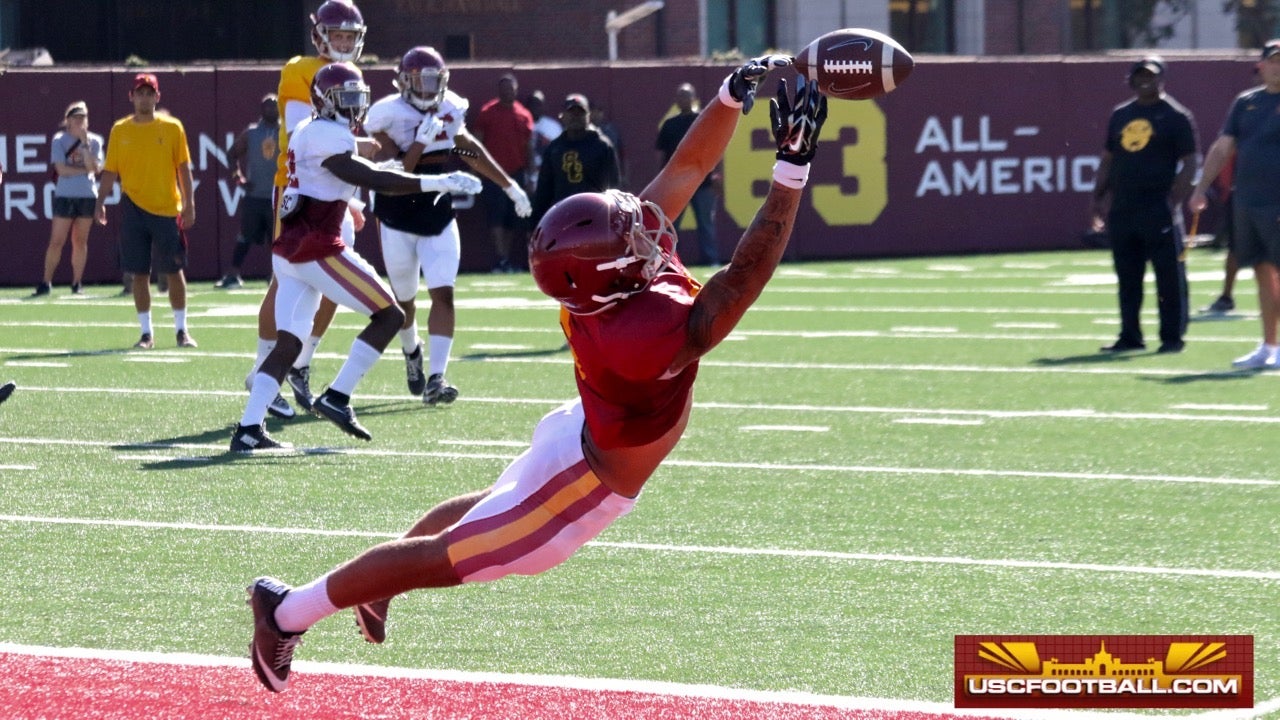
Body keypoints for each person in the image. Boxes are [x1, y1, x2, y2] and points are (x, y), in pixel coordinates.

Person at [245, 54, 803, 693]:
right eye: (634, 236)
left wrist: (731, 96)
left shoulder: (609, 279)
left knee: (487, 506)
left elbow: (688, 166)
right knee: (444, 558)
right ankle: (286, 612)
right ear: (610, 273)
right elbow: (745, 277)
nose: (650, 231)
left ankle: (378, 585)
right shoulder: (639, 331)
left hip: (583, 432)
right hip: (587, 477)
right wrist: (791, 167)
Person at [229, 62, 482, 453]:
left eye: (356, 99)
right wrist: (437, 180)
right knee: (391, 315)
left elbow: (367, 170)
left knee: (289, 344)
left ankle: (248, 428)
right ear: (323, 100)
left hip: (291, 249)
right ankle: (338, 396)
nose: (352, 108)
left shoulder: (309, 131)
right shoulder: (329, 135)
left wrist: (407, 164)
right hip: (318, 247)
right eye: (344, 99)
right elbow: (372, 178)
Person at [364, 46, 531, 404]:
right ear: (404, 81)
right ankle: (412, 351)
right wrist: (421, 142)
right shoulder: (386, 114)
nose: (427, 89)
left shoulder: (450, 105)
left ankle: (437, 378)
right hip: (397, 213)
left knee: (444, 293)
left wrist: (508, 184)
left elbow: (467, 149)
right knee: (404, 303)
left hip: (438, 212)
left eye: (433, 81)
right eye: (420, 81)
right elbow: (398, 173)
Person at [252, 0, 369, 422]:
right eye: (336, 34)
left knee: (333, 281)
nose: (342, 43)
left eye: (348, 36)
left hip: (333, 189)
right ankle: (262, 369)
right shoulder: (300, 68)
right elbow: (308, 135)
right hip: (300, 187)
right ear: (319, 33)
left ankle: (299, 363)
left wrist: (348, 196)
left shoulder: (351, 74)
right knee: (287, 279)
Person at [1090, 56, 1197, 354]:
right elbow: (1108, 159)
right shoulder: (1121, 114)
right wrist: (1097, 197)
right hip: (1123, 206)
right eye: (1140, 75)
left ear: (1162, 79)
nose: (1144, 80)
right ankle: (1130, 334)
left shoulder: (1176, 116)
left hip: (1157, 206)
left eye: (1150, 75)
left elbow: (1190, 162)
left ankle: (1172, 337)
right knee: (1127, 275)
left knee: (1168, 277)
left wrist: (1173, 199)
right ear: (1131, 79)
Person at [1190, 40, 1280, 368]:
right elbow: (1223, 146)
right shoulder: (1246, 103)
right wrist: (1200, 188)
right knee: (1262, 272)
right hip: (1249, 202)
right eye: (1274, 61)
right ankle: (1269, 346)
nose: (1278, 67)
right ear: (1262, 66)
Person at [95, 73, 198, 349]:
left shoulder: (172, 127)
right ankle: (146, 333)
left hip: (166, 208)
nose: (144, 97)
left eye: (149, 93)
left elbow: (184, 168)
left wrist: (189, 204)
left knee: (174, 271)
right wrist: (100, 200)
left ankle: (181, 330)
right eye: (139, 93)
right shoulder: (120, 129)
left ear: (157, 97)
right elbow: (110, 170)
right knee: (138, 273)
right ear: (131, 97)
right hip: (133, 207)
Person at [37, 101, 104, 296]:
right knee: (57, 240)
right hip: (65, 195)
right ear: (68, 120)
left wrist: (84, 145)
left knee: (80, 241)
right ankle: (46, 282)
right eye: (76, 118)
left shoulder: (95, 141)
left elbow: (96, 168)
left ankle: (77, 283)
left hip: (87, 195)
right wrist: (85, 169)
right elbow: (61, 170)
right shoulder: (59, 140)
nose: (80, 121)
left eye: (83, 117)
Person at [470, 73, 534, 273]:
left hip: (517, 173)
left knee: (512, 219)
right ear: (499, 91)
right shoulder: (487, 112)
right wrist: (476, 168)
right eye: (504, 89)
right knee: (496, 217)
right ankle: (501, 258)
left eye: (511, 88)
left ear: (516, 90)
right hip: (494, 175)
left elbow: (529, 146)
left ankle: (505, 258)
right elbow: (476, 142)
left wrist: (530, 175)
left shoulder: (524, 114)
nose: (508, 92)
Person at [218, 94, 281, 290]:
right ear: (261, 109)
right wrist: (238, 178)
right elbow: (231, 154)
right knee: (245, 236)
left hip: (277, 196)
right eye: (268, 106)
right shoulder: (252, 133)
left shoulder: (287, 132)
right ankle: (233, 275)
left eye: (275, 106)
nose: (271, 109)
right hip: (255, 196)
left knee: (278, 239)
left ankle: (277, 277)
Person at [657, 83, 723, 266]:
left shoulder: (702, 120)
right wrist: (663, 181)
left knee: (706, 224)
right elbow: (662, 155)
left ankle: (711, 260)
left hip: (702, 181)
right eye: (680, 96)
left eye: (686, 96)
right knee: (671, 226)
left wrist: (717, 174)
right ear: (676, 101)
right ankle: (669, 261)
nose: (683, 99)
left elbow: (716, 147)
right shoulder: (670, 125)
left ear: (693, 98)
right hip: (677, 183)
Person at [530, 93, 621, 225]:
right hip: (563, 216)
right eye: (571, 113)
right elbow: (544, 190)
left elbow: (613, 187)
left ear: (588, 116)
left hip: (595, 216)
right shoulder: (555, 149)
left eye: (580, 113)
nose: (575, 117)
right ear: (562, 116)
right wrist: (536, 222)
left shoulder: (602, 146)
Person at [524, 89, 561, 192]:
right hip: (525, 177)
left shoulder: (554, 127)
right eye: (533, 104)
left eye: (539, 104)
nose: (535, 108)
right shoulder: (521, 124)